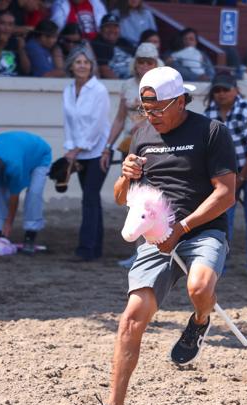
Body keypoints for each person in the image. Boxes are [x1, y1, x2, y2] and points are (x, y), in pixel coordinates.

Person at [67, 66, 237, 405]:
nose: (151, 117)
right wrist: (125, 177)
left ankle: (200, 322)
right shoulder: (142, 132)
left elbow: (226, 194)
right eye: (146, 110)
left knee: (200, 287)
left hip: (202, 229)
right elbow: (122, 198)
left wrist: (184, 227)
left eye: (158, 109)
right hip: (157, 235)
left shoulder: (211, 132)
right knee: (131, 318)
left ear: (180, 101)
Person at [205, 72, 247, 278]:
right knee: (223, 219)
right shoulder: (209, 113)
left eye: (225, 89)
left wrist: (241, 177)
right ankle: (220, 265)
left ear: (235, 90)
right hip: (226, 175)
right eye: (217, 90)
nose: (221, 94)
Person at [101, 41, 160, 268]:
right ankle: (140, 253)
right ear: (135, 64)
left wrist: (145, 124)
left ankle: (149, 252)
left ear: (156, 64)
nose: (145, 65)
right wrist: (107, 146)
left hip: (153, 148)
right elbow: (119, 118)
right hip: (129, 147)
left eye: (149, 61)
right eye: (141, 61)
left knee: (150, 200)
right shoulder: (127, 86)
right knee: (132, 201)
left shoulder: (161, 84)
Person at [62, 44, 110, 261]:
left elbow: (98, 126)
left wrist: (77, 148)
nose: (82, 66)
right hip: (79, 152)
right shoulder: (68, 90)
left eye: (86, 62)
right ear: (71, 66)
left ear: (92, 67)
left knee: (89, 199)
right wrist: (71, 148)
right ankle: (95, 248)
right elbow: (68, 123)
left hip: (98, 152)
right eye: (78, 62)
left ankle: (86, 249)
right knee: (91, 199)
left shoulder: (99, 90)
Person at [0, 131, 53, 255]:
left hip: (39, 155)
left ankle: (30, 234)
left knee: (34, 193)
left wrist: (9, 222)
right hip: (14, 150)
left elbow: (14, 196)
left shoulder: (13, 166)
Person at [0, 10, 31, 76]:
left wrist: (21, 49)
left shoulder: (16, 41)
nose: (6, 28)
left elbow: (27, 70)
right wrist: (0, 46)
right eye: (2, 23)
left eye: (10, 24)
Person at [91, 13, 134, 79]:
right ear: (101, 29)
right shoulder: (97, 44)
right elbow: (104, 70)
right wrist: (122, 86)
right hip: (117, 85)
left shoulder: (124, 42)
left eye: (115, 27)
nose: (112, 30)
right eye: (108, 26)